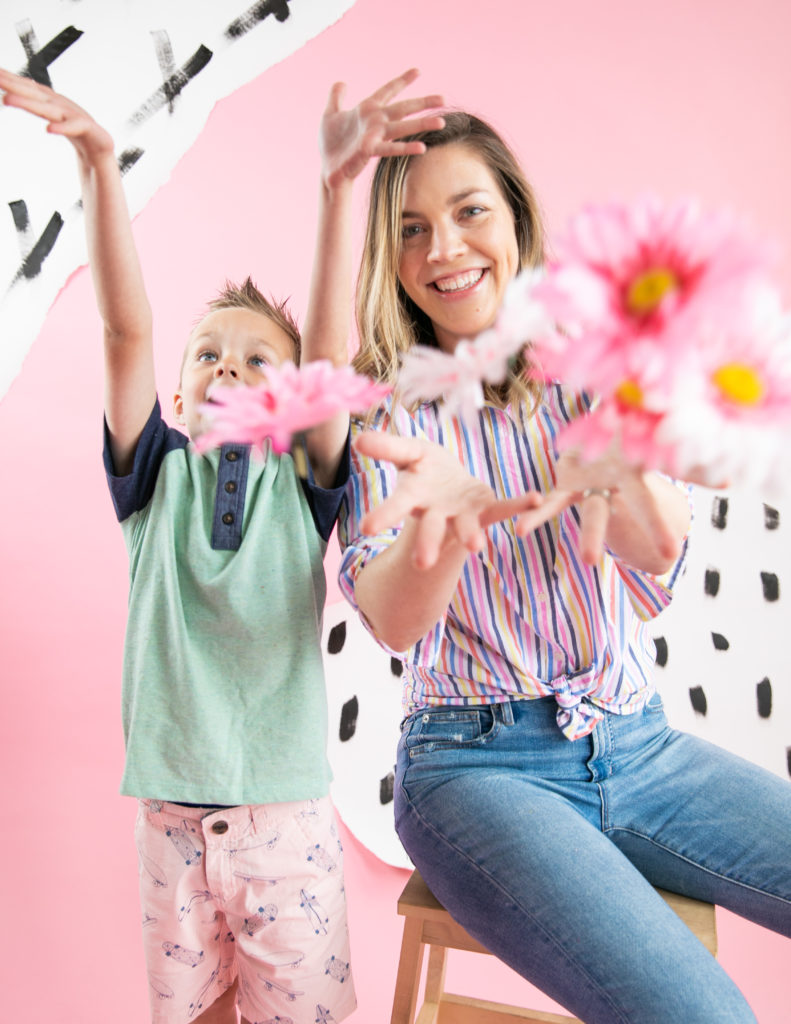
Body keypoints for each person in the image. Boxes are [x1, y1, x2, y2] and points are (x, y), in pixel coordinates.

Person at [0, 67, 443, 1024]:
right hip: (168, 825)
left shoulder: (303, 481)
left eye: (256, 359)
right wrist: (100, 166)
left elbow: (326, 357)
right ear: (178, 397)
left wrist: (336, 190)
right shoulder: (152, 480)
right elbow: (127, 326)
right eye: (209, 355)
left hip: (285, 825)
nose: (228, 367)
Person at [337, 110, 791, 1023]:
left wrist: (612, 457)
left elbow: (658, 551)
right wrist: (445, 533)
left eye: (470, 212)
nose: (445, 249)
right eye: (411, 230)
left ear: (515, 224)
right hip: (474, 771)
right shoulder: (376, 411)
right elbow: (392, 619)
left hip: (639, 743)